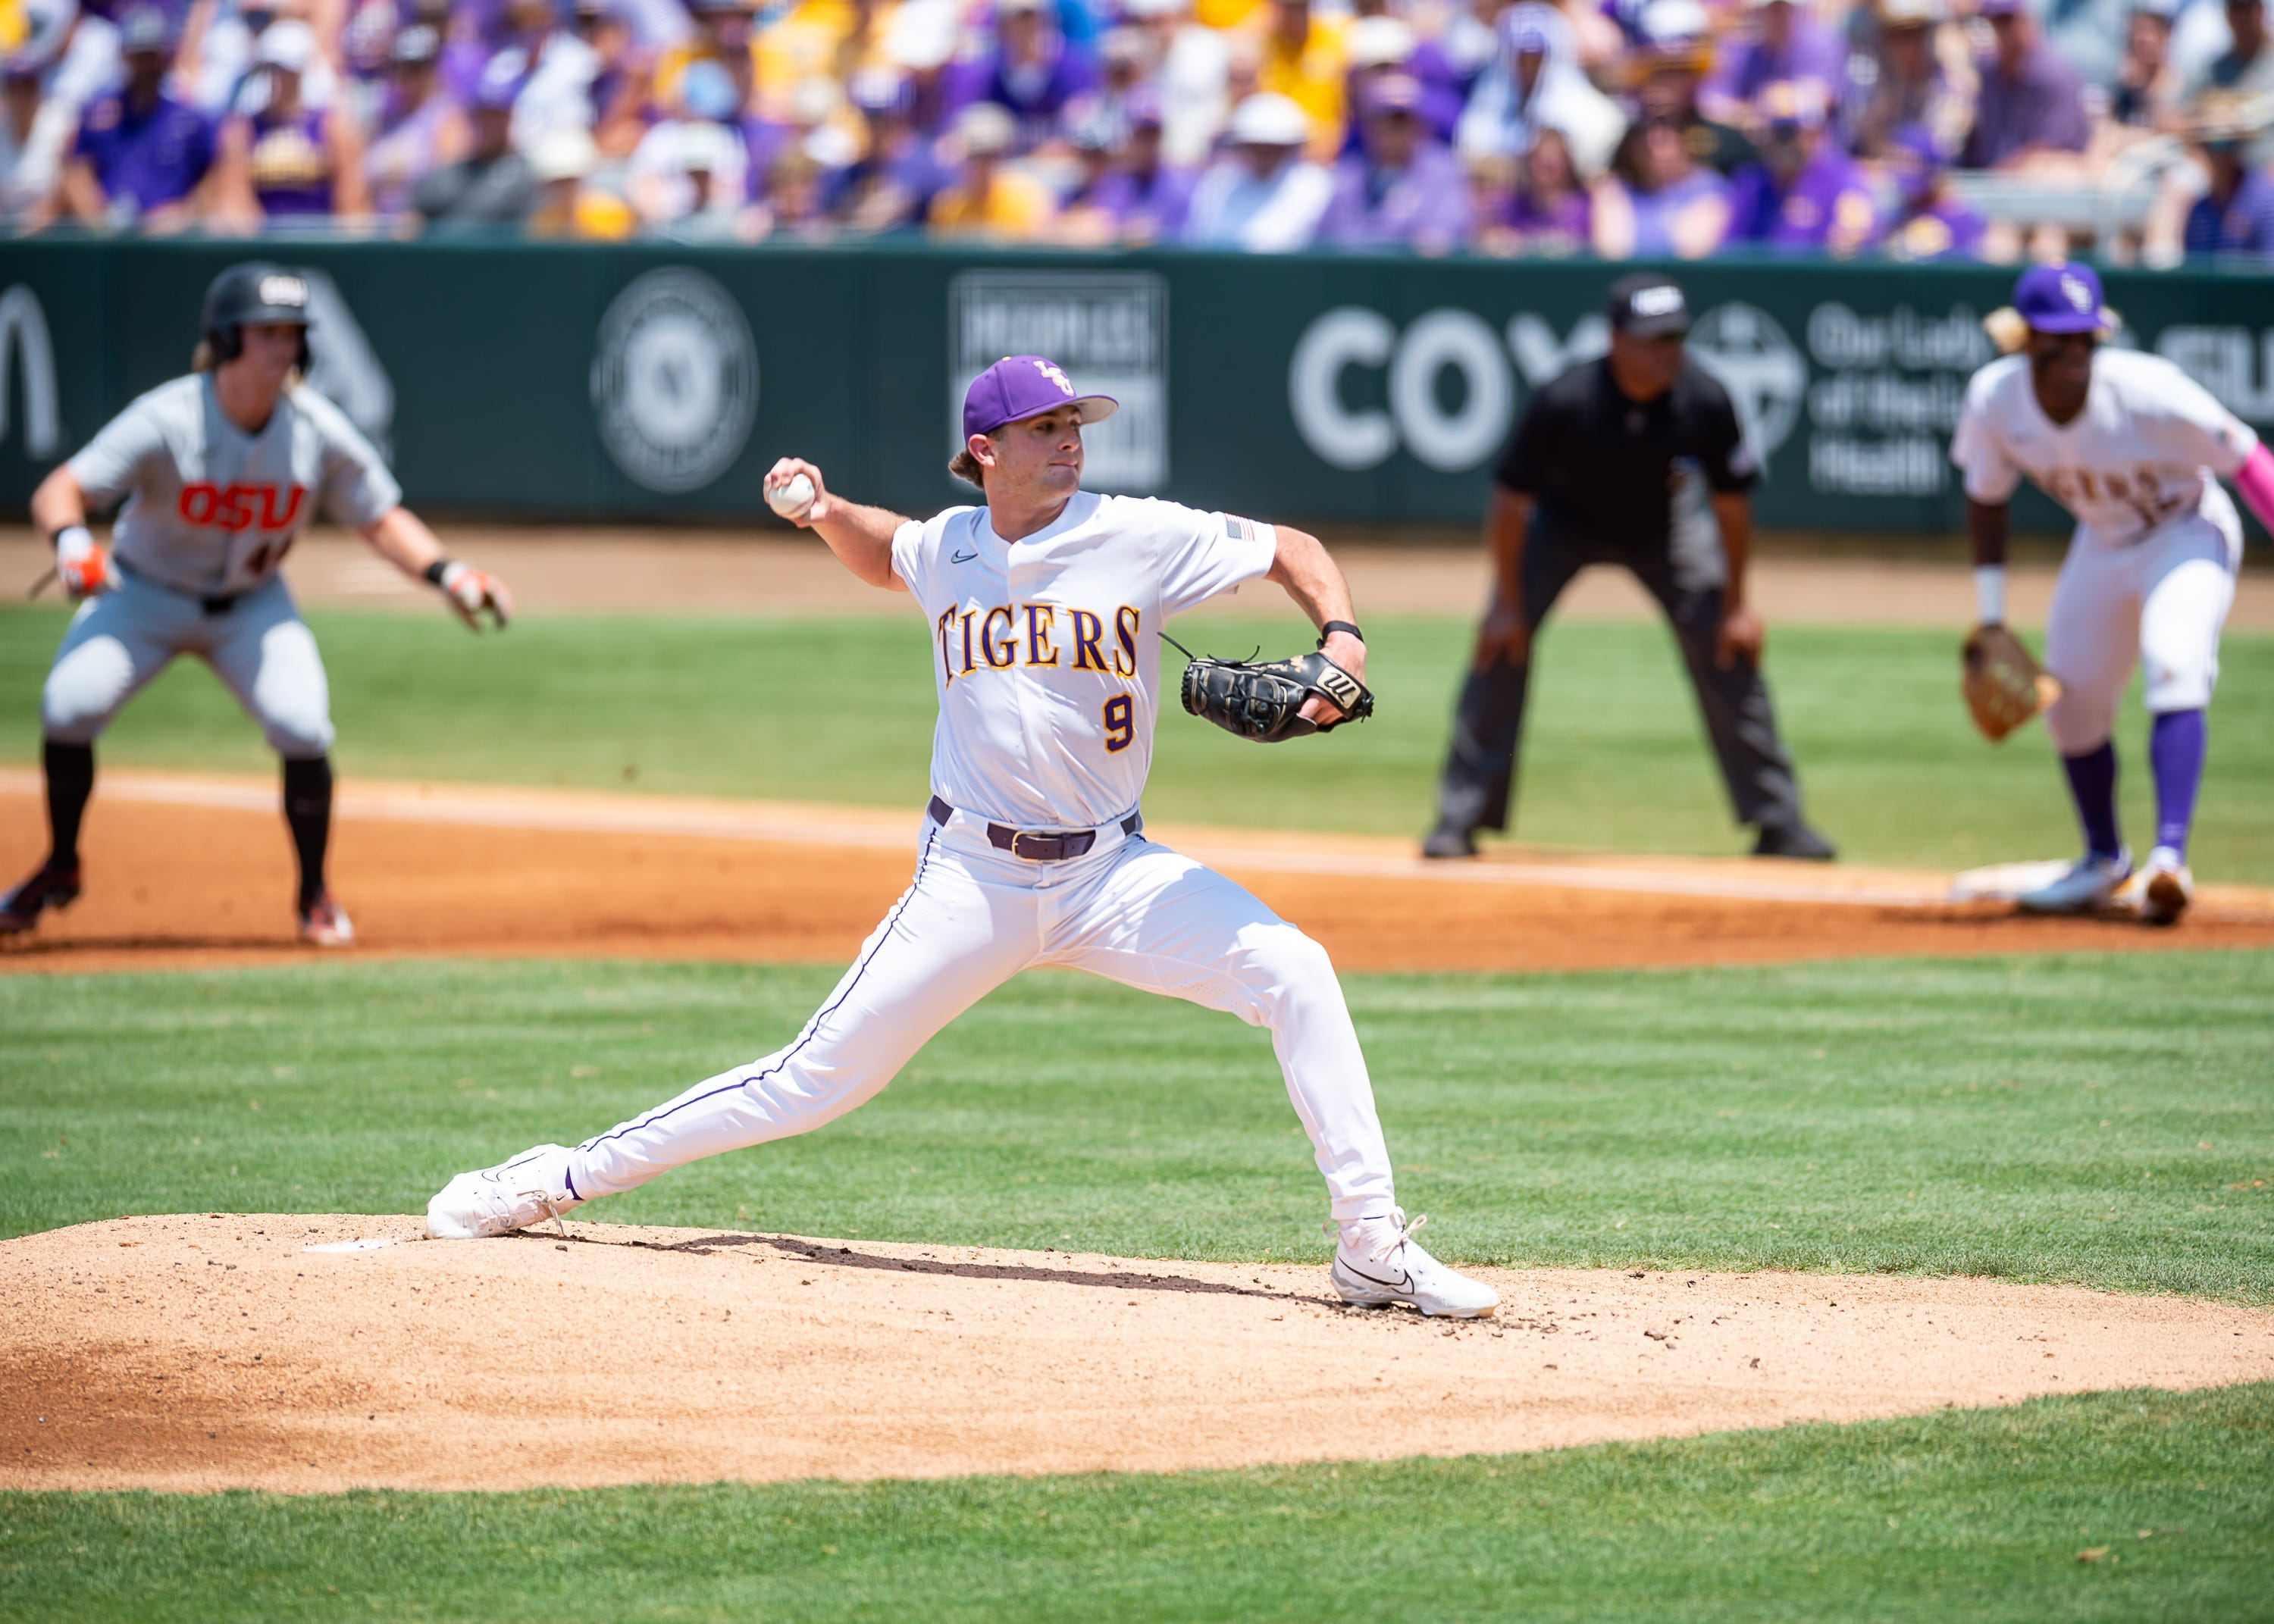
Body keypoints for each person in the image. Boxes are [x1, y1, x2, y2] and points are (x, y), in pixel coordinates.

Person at [424, 353, 1501, 1323]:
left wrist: (1342, 638)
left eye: (1076, 424)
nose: (1071, 440)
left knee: (1295, 970)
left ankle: (1371, 1246)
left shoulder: (1140, 533)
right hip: (972, 879)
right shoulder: (949, 546)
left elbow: (1292, 549)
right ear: (986, 450)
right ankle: (555, 1177)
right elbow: (886, 549)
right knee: (812, 1079)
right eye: (1047, 427)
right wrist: (823, 510)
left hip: (1113, 873)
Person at [2, 264, 514, 946]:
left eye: (292, 333)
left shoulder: (315, 428)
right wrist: (71, 541)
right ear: (225, 337)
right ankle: (61, 865)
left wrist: (448, 574)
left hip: (251, 605)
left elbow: (379, 517)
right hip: (143, 593)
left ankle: (314, 893)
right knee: (69, 706)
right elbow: (61, 490)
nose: (283, 345)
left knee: (302, 725)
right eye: (266, 331)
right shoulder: (168, 418)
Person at [1422, 274, 1834, 863]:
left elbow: (1731, 506)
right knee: (1500, 644)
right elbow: (1511, 504)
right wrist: (1506, 604)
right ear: (1615, 339)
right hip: (1563, 525)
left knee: (1727, 645)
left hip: (1663, 527)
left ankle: (1778, 820)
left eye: (1675, 338)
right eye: (1652, 339)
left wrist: (1737, 605)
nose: (1667, 352)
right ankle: (1459, 817)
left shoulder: (1705, 396)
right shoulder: (1565, 397)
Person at [1951, 262, 2274, 921]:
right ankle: (2102, 861)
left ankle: (2169, 859)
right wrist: (1991, 618)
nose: (2076, 352)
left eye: (2086, 338)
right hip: (2102, 541)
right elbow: (1986, 499)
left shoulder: (2149, 390)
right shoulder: (1994, 399)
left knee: (2175, 659)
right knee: (2069, 705)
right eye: (2059, 339)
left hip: (2186, 529)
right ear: (2023, 339)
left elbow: (2248, 459)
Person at [55, 5, 216, 230]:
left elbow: (214, 175)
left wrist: (183, 213)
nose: (146, 66)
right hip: (106, 237)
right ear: (124, 56)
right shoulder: (98, 115)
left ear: (165, 57)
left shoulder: (190, 121)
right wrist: (96, 218)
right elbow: (75, 169)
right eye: (139, 56)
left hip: (169, 240)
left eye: (152, 56)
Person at [212, 18, 371, 224]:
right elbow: (234, 197)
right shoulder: (244, 129)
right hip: (264, 238)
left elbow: (350, 195)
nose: (279, 78)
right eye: (273, 70)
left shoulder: (331, 125)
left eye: (285, 71)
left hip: (320, 236)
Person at [1724, 79, 1881, 255]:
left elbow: (1855, 241)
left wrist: (1848, 237)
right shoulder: (1751, 183)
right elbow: (1727, 249)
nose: (1774, 142)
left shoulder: (1841, 181)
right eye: (1764, 132)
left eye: (1784, 132)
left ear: (1813, 133)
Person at [1317, 70, 1471, 249]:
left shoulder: (1444, 171)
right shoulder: (1349, 173)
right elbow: (1327, 239)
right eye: (1380, 120)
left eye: (1400, 120)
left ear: (1420, 124)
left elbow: (1443, 236)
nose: (1390, 129)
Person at [1182, 89, 1333, 249]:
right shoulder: (1217, 185)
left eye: (1274, 147)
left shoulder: (1317, 187)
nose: (1264, 154)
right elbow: (1199, 241)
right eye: (1255, 146)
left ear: (1291, 147)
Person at [1959, 0, 2090, 170]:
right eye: (1994, 21)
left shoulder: (2055, 76)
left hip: (2044, 183)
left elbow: (2051, 153)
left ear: (2028, 21)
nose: (2001, 31)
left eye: (2007, 20)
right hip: (1988, 180)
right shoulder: (1986, 74)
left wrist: (1998, 175)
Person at [410, 50, 537, 225]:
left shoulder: (526, 176)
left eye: (495, 116)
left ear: (509, 118)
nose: (488, 124)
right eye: (483, 116)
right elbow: (414, 219)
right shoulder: (449, 175)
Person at [362, 22, 468, 218]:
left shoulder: (446, 118)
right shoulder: (383, 117)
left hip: (423, 228)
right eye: (400, 67)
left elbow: (448, 189)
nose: (406, 77)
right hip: (377, 226)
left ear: (432, 70)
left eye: (416, 69)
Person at [1591, 112, 1728, 257]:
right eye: (1647, 147)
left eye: (1664, 142)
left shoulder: (1710, 188)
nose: (1658, 153)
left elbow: (1692, 252)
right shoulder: (1615, 189)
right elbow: (1611, 251)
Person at [2182, 95, 2274, 255]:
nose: (2217, 155)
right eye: (2207, 143)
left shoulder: (2265, 200)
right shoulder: (2199, 209)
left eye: (2224, 143)